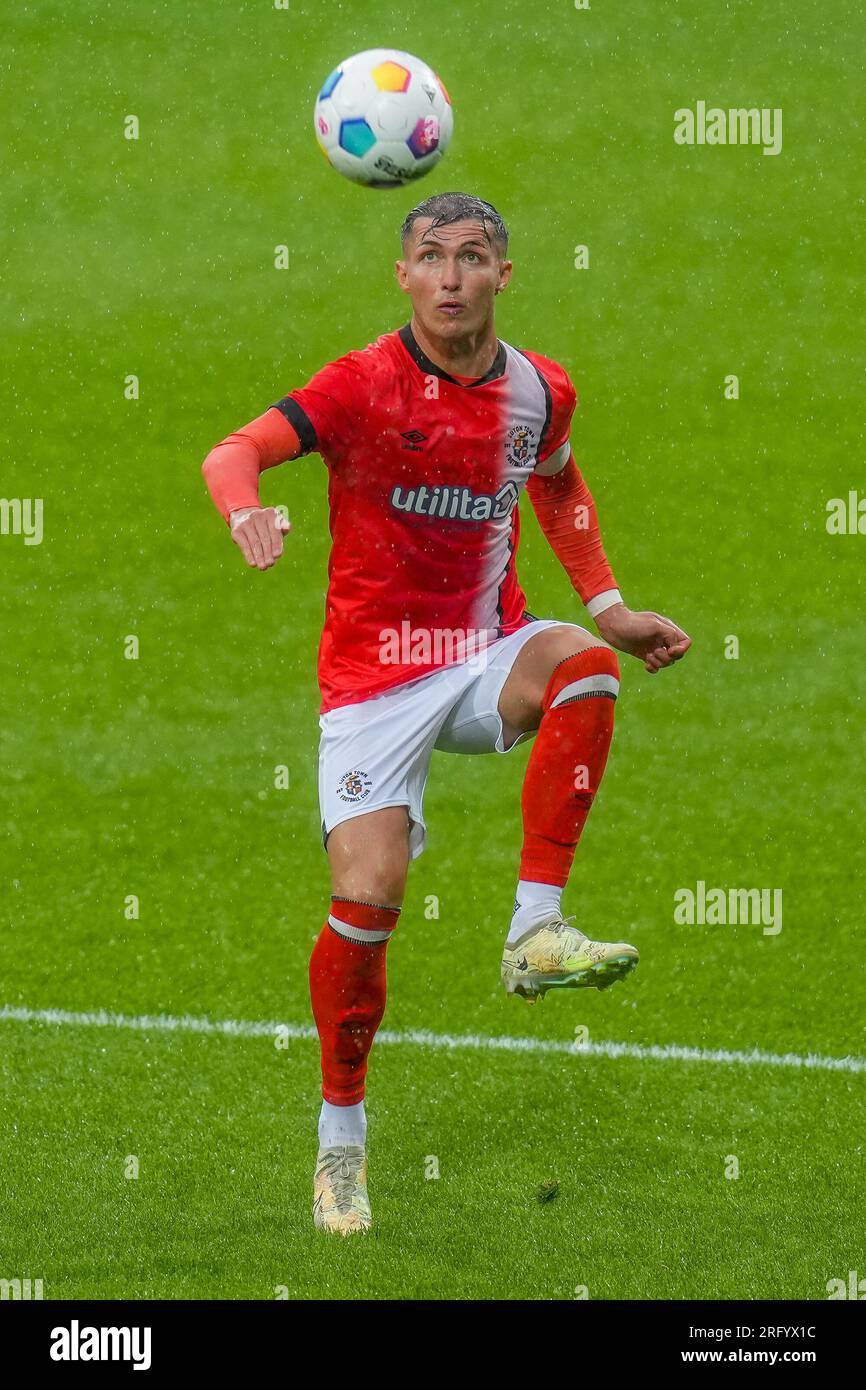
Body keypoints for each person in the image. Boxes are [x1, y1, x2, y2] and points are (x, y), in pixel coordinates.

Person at [202, 191, 691, 1237]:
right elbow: (228, 452)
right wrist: (245, 508)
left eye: (473, 257)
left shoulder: (536, 392)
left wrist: (607, 606)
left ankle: (533, 930)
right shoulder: (360, 384)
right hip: (373, 685)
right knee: (366, 904)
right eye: (433, 257)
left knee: (585, 668)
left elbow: (553, 483)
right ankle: (341, 1144)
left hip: (479, 655)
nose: (454, 276)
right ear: (404, 276)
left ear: (503, 276)